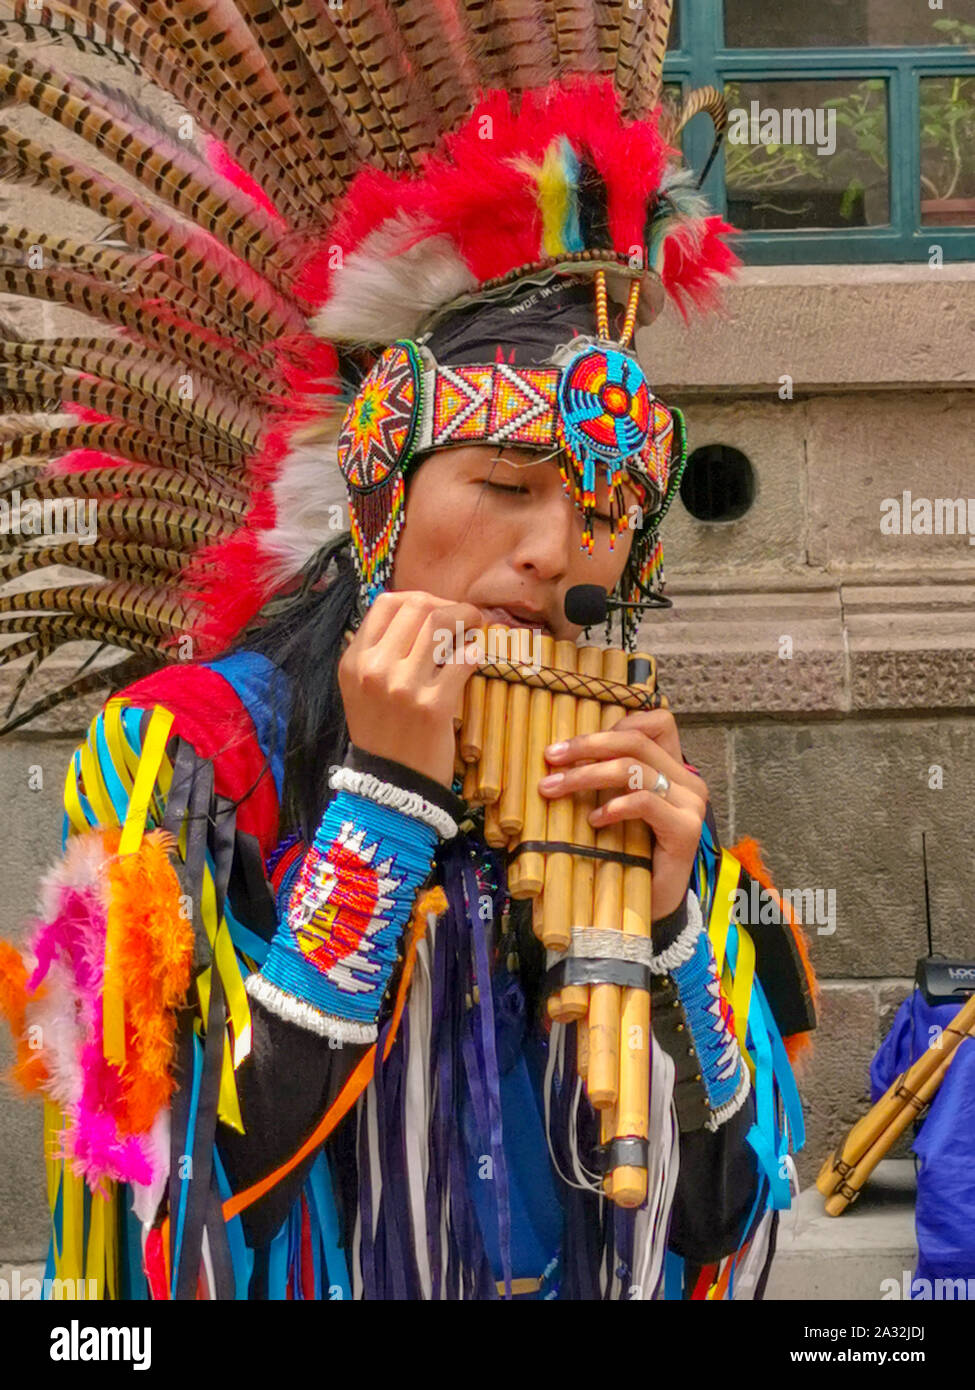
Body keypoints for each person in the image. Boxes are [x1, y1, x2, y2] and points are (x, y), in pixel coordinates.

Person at [0, 1, 816, 1300]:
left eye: (602, 509)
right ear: (382, 501)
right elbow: (161, 1193)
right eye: (504, 483)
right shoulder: (199, 759)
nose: (558, 552)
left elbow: (717, 1222)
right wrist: (379, 812)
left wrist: (666, 932)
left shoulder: (624, 784)